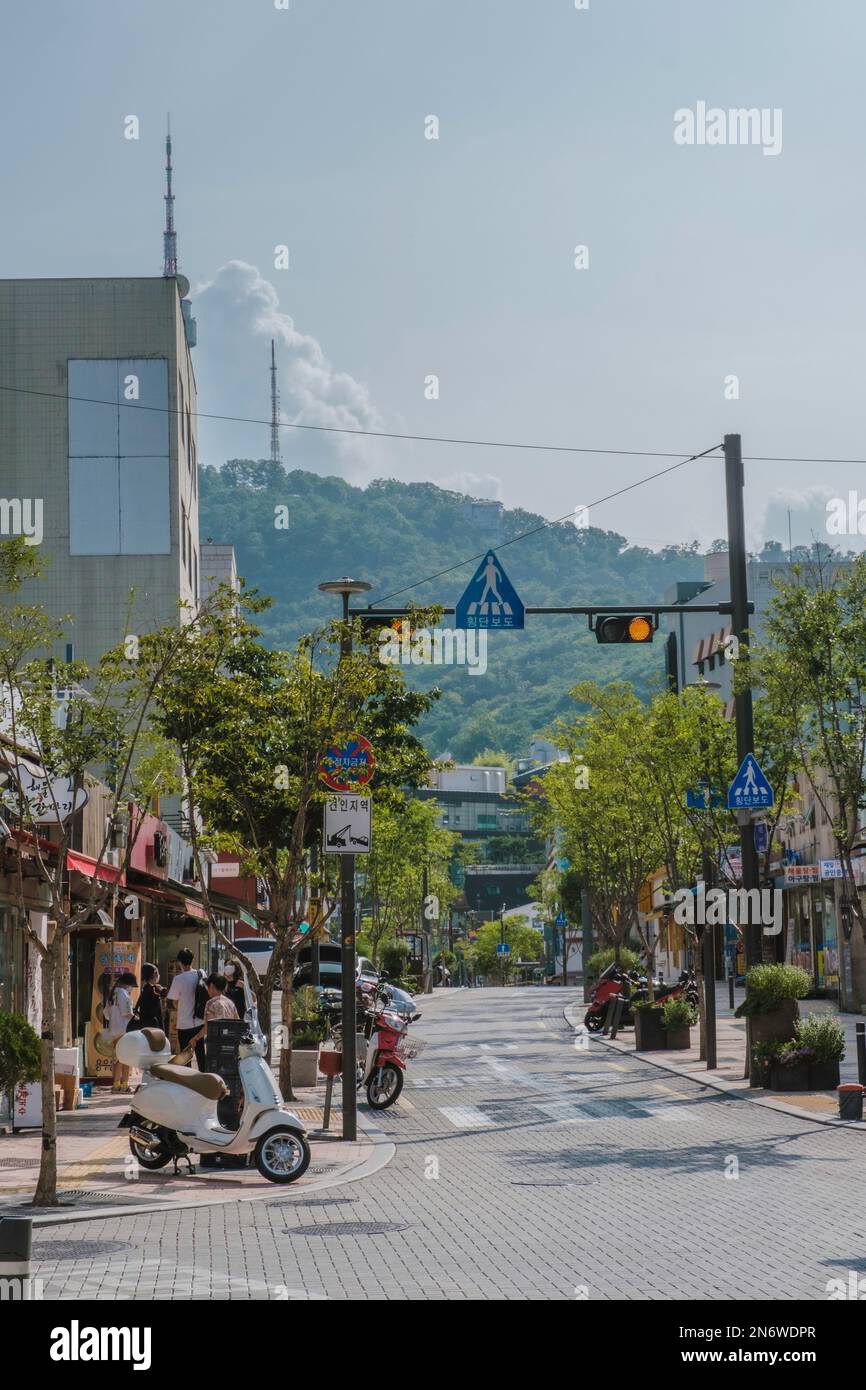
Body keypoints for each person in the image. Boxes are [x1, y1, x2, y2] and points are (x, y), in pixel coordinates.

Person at [166, 948, 207, 1069]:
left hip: (184, 1023)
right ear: (193, 960)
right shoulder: (201, 974)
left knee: (185, 1054)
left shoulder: (178, 979)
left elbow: (174, 1001)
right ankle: (204, 1078)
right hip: (199, 1021)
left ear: (179, 962)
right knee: (200, 1054)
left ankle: (188, 1079)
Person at [187, 974, 239, 1058]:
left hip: (216, 1046)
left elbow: (208, 1027)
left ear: (211, 986)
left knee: (214, 1070)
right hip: (230, 1045)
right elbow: (238, 1021)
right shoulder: (230, 1003)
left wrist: (195, 1038)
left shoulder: (211, 1003)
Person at [106, 971, 137, 1092]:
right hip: (124, 1029)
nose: (131, 989)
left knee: (117, 1058)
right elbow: (127, 1012)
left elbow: (106, 1013)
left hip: (114, 1029)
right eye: (131, 986)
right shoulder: (123, 993)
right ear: (127, 984)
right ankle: (124, 1084)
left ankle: (116, 1084)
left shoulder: (113, 993)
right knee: (126, 1057)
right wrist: (136, 1019)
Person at [136, 963, 166, 1030]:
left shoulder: (144, 990)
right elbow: (159, 1014)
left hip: (143, 1028)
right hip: (153, 1030)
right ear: (154, 974)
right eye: (157, 973)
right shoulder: (153, 991)